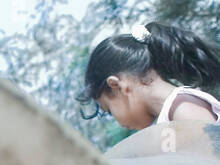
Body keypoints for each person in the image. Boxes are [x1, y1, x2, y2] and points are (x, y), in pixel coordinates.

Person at [81, 21, 220, 129]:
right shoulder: (173, 113)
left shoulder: (183, 108)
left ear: (117, 86)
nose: (116, 121)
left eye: (109, 110)